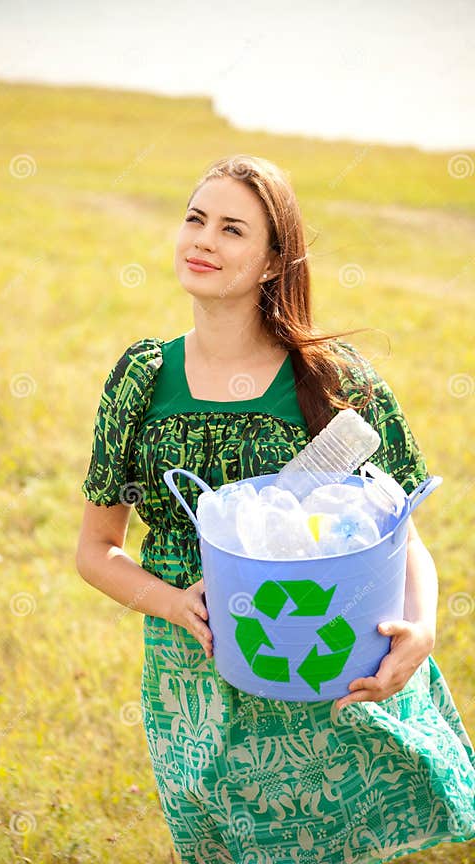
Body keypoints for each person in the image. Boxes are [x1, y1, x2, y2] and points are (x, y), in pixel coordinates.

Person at [76, 154, 475, 864]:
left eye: (232, 229)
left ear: (270, 263)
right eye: (195, 219)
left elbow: (401, 531)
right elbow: (96, 549)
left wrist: (422, 627)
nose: (203, 241)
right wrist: (174, 605)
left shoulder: (331, 377)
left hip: (325, 659)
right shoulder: (144, 378)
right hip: (198, 674)